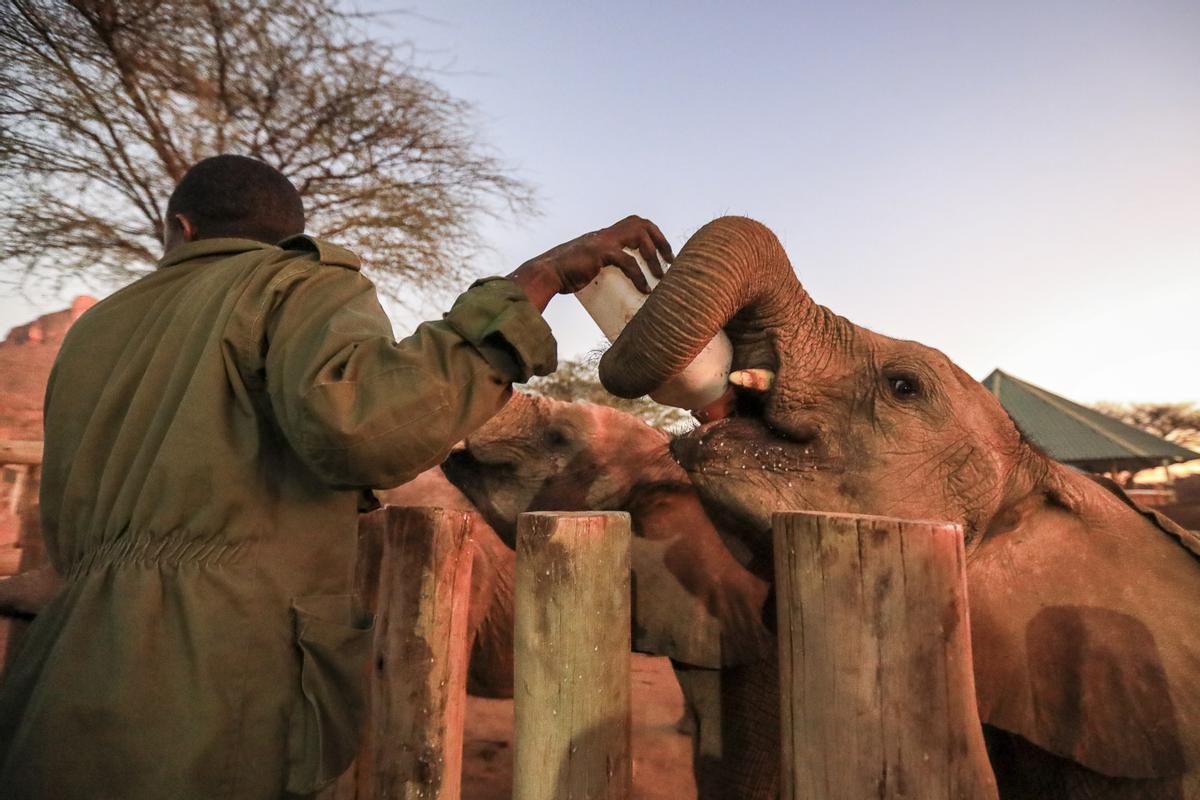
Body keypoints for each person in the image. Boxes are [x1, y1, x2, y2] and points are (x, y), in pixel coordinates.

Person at [0, 154, 674, 798]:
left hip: (60, 673)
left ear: (180, 228)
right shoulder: (293, 282)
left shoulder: (96, 331)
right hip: (211, 681)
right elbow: (367, 430)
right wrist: (538, 279)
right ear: (288, 234)